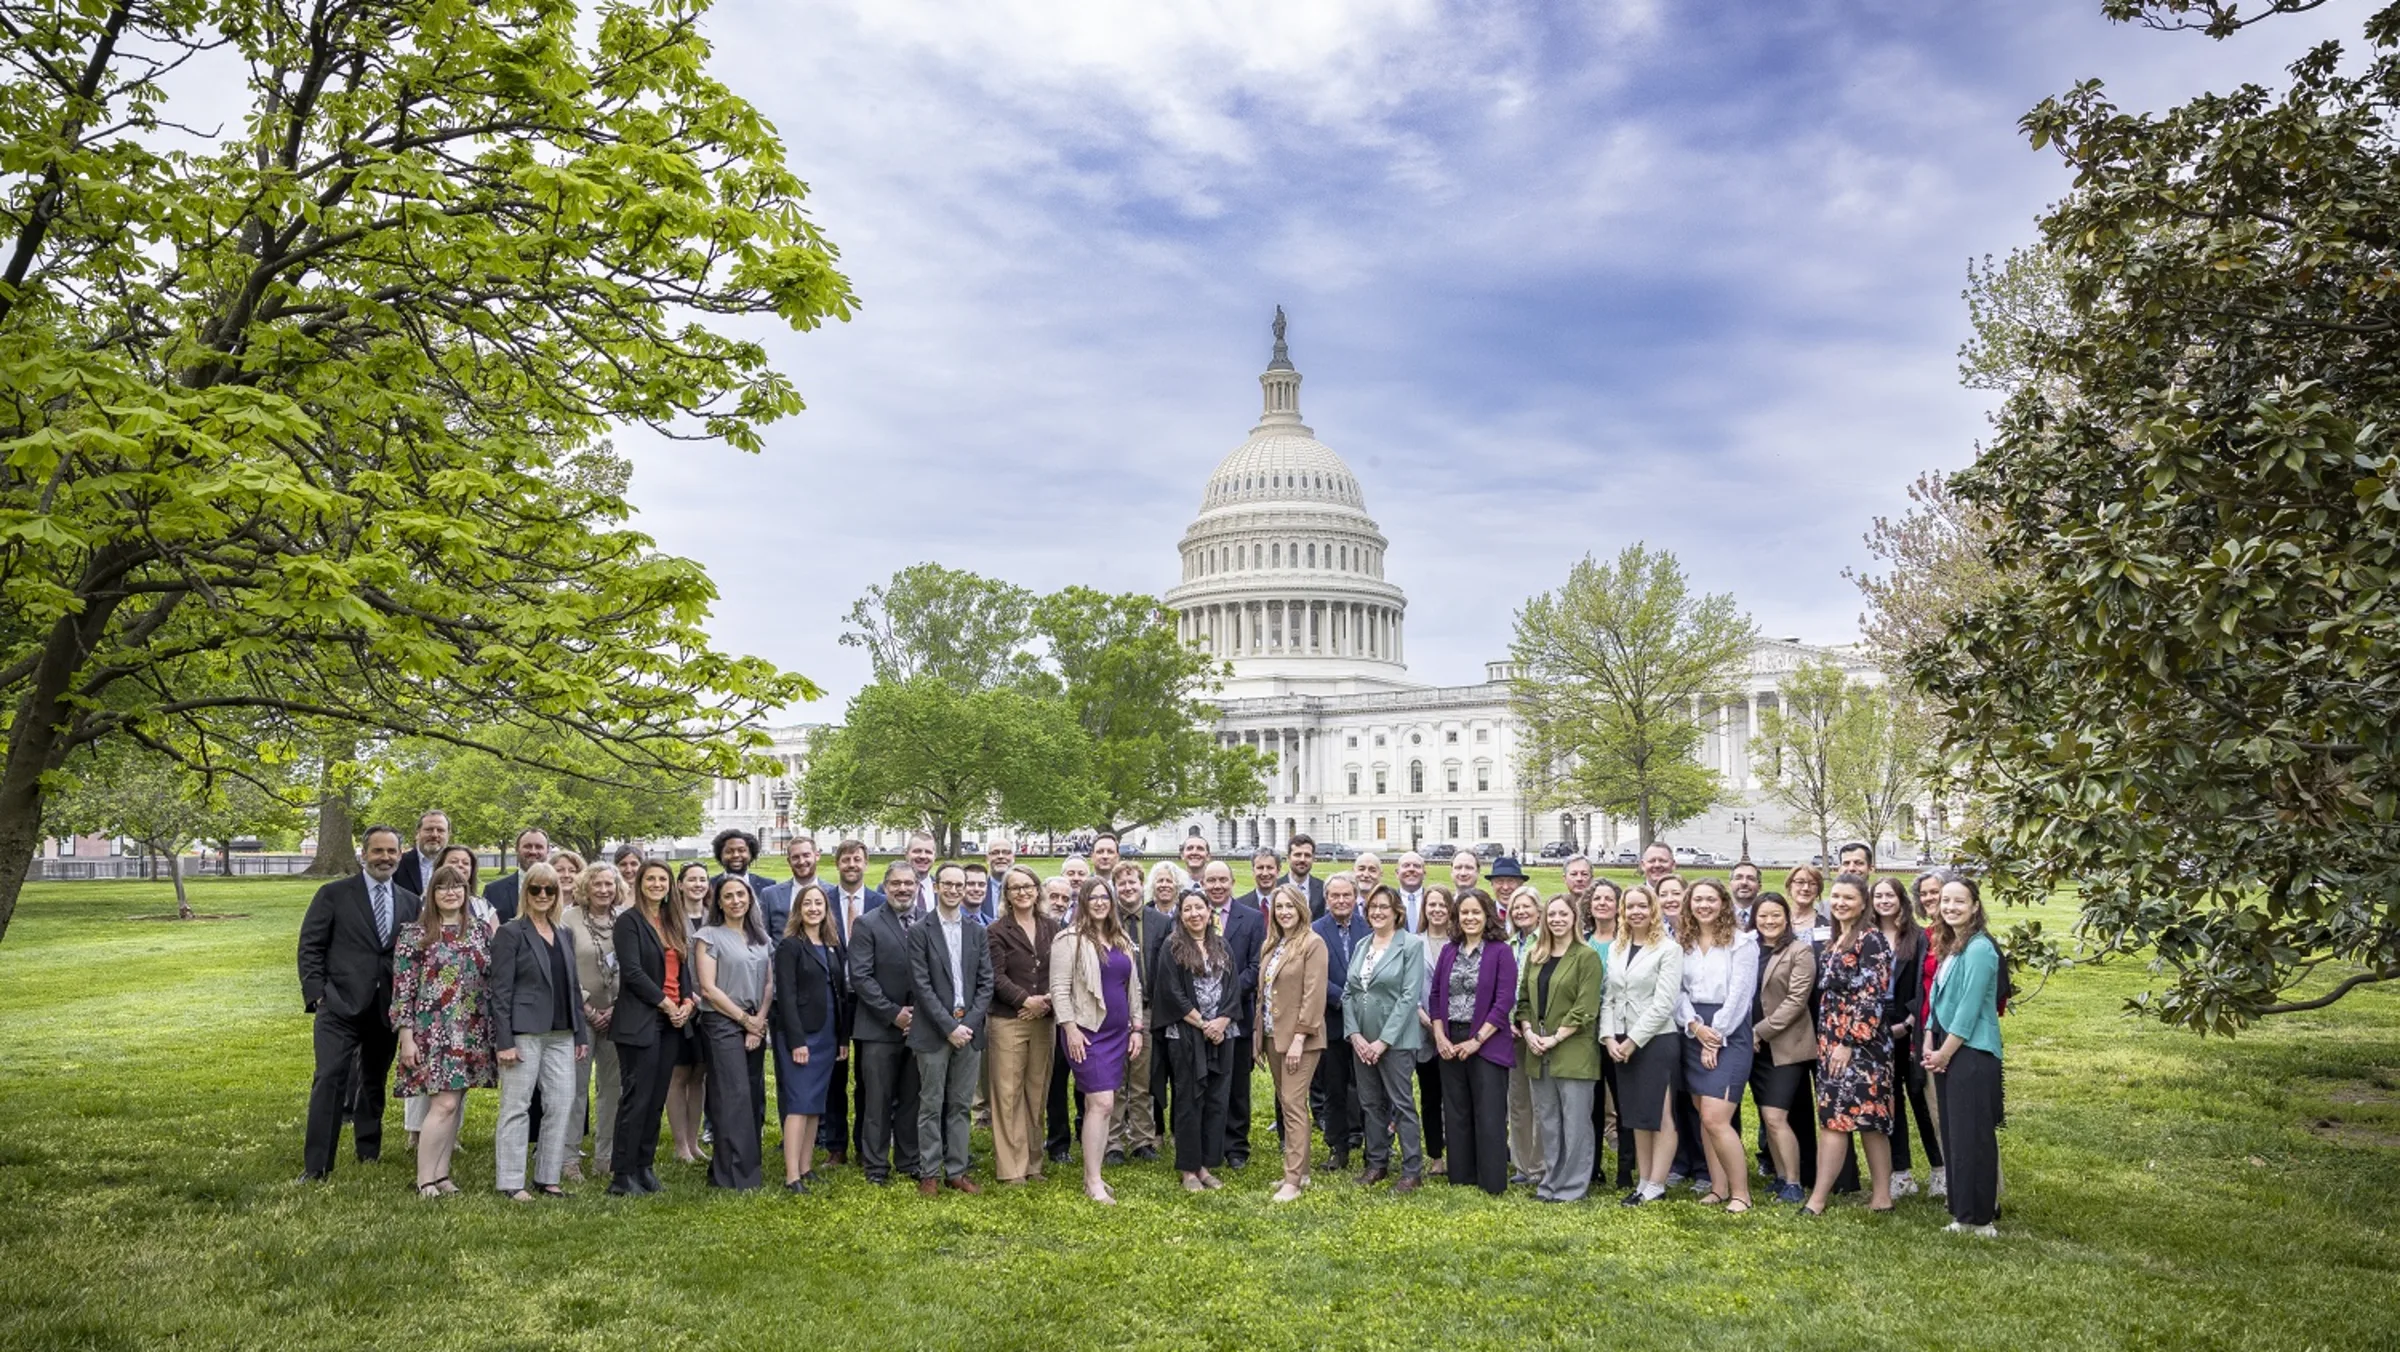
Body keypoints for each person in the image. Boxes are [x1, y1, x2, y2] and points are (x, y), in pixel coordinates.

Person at [297, 825, 419, 1180]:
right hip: (339, 1004)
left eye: (391, 851)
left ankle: (368, 1151)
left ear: (400, 855)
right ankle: (317, 1166)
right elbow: (311, 946)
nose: (385, 857)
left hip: (385, 1007)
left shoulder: (410, 902)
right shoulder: (333, 894)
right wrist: (317, 994)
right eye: (378, 851)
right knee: (329, 1078)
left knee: (373, 1082)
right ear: (363, 854)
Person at [389, 863, 495, 1198]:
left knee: (455, 1103)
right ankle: (425, 1180)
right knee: (443, 1104)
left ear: (466, 891)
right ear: (431, 893)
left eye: (457, 886)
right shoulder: (415, 934)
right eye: (442, 887)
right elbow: (403, 989)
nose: (451, 892)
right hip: (433, 1031)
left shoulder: (479, 931)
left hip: (471, 1028)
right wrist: (406, 1036)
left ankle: (442, 1174)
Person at [489, 862, 590, 1199]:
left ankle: (547, 1177)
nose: (543, 894)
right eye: (536, 888)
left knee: (560, 1104)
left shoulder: (564, 933)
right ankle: (511, 1181)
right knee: (516, 1106)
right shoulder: (510, 933)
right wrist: (504, 1041)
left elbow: (572, 986)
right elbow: (500, 992)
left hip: (562, 1032)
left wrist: (580, 1034)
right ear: (526, 892)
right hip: (524, 1032)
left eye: (550, 889)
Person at [1801, 873, 1897, 1216]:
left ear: (1863, 903)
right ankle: (1822, 1197)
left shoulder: (1872, 940)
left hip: (1862, 1046)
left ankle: (1877, 1197)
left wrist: (1848, 1041)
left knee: (1867, 1120)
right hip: (1831, 1042)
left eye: (1849, 898)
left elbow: (1872, 997)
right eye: (1837, 897)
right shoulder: (1836, 938)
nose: (1841, 903)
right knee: (1833, 1118)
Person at [1052, 878, 1147, 1203]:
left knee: (1103, 1106)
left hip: (1118, 1033)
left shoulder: (1121, 939)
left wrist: (1137, 1027)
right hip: (1087, 1033)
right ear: (1082, 902)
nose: (1099, 902)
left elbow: (1133, 986)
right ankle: (1092, 1180)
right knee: (1102, 1103)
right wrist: (1070, 1029)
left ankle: (1094, 1176)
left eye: (1104, 897)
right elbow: (1059, 989)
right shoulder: (1069, 940)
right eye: (1092, 897)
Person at [608, 860, 695, 1195]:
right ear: (640, 883)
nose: (657, 884)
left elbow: (683, 969)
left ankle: (644, 1167)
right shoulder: (628, 922)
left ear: (671, 886)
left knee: (657, 1097)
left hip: (671, 1022)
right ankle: (622, 1174)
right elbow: (632, 972)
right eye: (651, 879)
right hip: (640, 1019)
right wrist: (666, 1003)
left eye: (663, 879)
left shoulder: (673, 921)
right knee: (637, 1097)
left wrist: (686, 1002)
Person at [908, 862, 994, 1195]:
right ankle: (929, 1171)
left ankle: (956, 1170)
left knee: (960, 1104)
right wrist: (948, 1026)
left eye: (961, 885)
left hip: (968, 1033)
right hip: (933, 1031)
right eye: (949, 884)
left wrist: (967, 1025)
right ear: (936, 886)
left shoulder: (977, 931)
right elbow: (921, 985)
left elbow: (986, 983)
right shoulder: (920, 930)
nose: (955, 890)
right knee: (930, 1103)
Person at [1926, 875, 2004, 1236]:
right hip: (1947, 1047)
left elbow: (1969, 1009)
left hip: (1971, 1052)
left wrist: (1943, 1053)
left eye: (1959, 901)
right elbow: (1938, 998)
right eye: (1946, 900)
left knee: (1974, 1137)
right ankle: (1962, 1213)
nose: (1950, 907)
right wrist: (1929, 1039)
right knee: (1956, 1135)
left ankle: (1981, 1219)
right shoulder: (1952, 944)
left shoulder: (1980, 949)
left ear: (1975, 906)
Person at [1676, 878, 1759, 1212]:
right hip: (1693, 1027)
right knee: (1703, 1115)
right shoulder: (1683, 942)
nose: (1704, 905)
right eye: (1698, 899)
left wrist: (1715, 1036)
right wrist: (1694, 1026)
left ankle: (1742, 1194)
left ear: (1724, 903)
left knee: (1715, 1117)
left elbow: (1741, 994)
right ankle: (1718, 1187)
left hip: (1730, 1030)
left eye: (1711, 899)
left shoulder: (1742, 943)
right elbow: (1677, 990)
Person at [1515, 895, 1602, 1203]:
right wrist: (1528, 1032)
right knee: (1549, 1121)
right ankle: (1550, 1182)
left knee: (1575, 1122)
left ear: (1574, 918)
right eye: (1551, 914)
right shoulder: (1536, 955)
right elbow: (1523, 1000)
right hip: (1537, 1049)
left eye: (1563, 914)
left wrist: (1554, 1038)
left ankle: (1572, 1186)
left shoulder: (1586, 956)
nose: (1556, 919)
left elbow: (1585, 1006)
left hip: (1573, 1050)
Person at [1602, 885, 1684, 1205]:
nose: (1636, 912)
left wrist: (1634, 1040)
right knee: (1637, 1114)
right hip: (1621, 1040)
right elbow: (1609, 997)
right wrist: (1609, 1037)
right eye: (1630, 906)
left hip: (1656, 1040)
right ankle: (1643, 1181)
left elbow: (1664, 1004)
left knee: (1659, 1114)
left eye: (1642, 906)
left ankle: (1657, 1183)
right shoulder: (1617, 948)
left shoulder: (1668, 949)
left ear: (1653, 910)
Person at [1433, 887, 1516, 1196]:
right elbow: (1436, 995)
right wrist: (1440, 1035)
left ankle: (1491, 1180)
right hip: (1450, 1039)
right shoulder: (1448, 951)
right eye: (1464, 913)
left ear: (1487, 915)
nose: (1469, 918)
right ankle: (1461, 1175)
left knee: (1489, 1111)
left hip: (1487, 1041)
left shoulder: (1500, 952)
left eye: (1475, 912)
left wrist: (1477, 1040)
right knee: (1456, 1110)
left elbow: (1504, 1001)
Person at [1345, 884, 1427, 1191]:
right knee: (1370, 1104)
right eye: (1372, 907)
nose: (1377, 912)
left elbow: (1409, 997)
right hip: (1362, 1041)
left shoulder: (1410, 945)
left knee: (1402, 1104)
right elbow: (1349, 992)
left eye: (1384, 907)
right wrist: (1355, 1035)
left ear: (1397, 912)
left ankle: (1411, 1170)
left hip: (1396, 1041)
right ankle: (1376, 1163)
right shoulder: (1362, 944)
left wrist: (1383, 1041)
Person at [693, 874, 772, 1191]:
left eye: (741, 894)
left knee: (751, 1095)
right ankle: (732, 1176)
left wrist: (758, 1022)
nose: (736, 900)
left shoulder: (761, 937)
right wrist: (744, 1020)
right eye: (728, 896)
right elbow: (708, 989)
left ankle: (745, 1168)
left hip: (755, 1021)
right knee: (731, 1095)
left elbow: (769, 984)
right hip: (722, 1021)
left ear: (750, 898)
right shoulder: (708, 936)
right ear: (719, 902)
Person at [1153, 887, 1236, 1191]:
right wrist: (1203, 1024)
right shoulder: (1172, 946)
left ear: (1209, 911)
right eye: (1187, 909)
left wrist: (1222, 1022)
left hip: (1222, 1034)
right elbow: (1171, 991)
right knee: (1189, 1100)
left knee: (1216, 1100)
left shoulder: (1222, 945)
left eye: (1199, 908)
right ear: (1180, 914)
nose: (1194, 914)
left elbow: (1233, 987)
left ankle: (1205, 1166)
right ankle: (1189, 1169)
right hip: (1186, 1034)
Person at [770, 882, 847, 1193]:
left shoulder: (833, 945)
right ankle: (792, 1175)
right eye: (807, 904)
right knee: (799, 1103)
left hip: (828, 1035)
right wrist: (797, 1041)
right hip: (801, 1036)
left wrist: (843, 1038)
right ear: (798, 910)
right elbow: (786, 997)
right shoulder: (790, 946)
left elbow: (841, 994)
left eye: (819, 903)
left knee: (815, 1104)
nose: (814, 909)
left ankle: (806, 1166)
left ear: (826, 910)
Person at [849, 862, 923, 1185]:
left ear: (917, 886)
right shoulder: (867, 924)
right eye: (896, 883)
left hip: (919, 1028)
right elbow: (861, 977)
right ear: (885, 886)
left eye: (908, 883)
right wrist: (894, 1014)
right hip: (878, 1028)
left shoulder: (927, 922)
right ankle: (876, 1166)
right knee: (877, 1100)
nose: (902, 889)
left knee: (911, 1098)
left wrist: (919, 1016)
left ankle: (909, 1161)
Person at [1253, 884, 1327, 1201]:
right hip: (1273, 1035)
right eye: (1279, 907)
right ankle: (1303, 1171)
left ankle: (1292, 1181)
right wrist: (1259, 1036)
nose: (1284, 912)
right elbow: (1264, 995)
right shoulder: (1272, 944)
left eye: (1290, 906)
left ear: (1301, 909)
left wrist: (1299, 1038)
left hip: (1301, 1039)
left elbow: (1313, 994)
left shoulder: (1313, 943)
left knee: (1293, 1104)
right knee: (1288, 1104)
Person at [986, 864, 1058, 1186]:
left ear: (1037, 890)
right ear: (1006, 894)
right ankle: (1012, 1168)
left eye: (1028, 886)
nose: (1023, 892)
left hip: (1044, 1018)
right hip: (1008, 1019)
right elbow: (995, 976)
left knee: (1036, 1091)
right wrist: (1025, 1001)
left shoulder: (1052, 927)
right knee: (1008, 1093)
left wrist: (1046, 1002)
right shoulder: (997, 930)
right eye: (1015, 888)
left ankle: (1033, 1163)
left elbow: (1062, 970)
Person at [1748, 893, 1816, 1204]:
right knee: (1766, 1115)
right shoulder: (1747, 949)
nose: (1769, 921)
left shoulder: (1800, 951)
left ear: (1787, 918)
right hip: (1752, 1049)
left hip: (1784, 1047)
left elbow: (1795, 1002)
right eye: (1763, 915)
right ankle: (1779, 1175)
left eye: (1776, 915)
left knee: (1776, 1116)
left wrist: (1759, 1031)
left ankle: (1794, 1182)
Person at [1873, 874, 1937, 1200]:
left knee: (1918, 1095)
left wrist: (1911, 1022)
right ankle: (1901, 1173)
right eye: (1878, 896)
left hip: (1910, 1024)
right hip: (1876, 1028)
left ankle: (1940, 1169)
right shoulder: (1868, 936)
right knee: (1890, 1100)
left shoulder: (1918, 937)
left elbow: (1924, 984)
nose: (1884, 901)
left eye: (1890, 895)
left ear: (1901, 900)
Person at [560, 864, 624, 1183]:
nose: (603, 890)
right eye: (597, 884)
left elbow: (634, 965)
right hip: (580, 1013)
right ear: (585, 887)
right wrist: (587, 1006)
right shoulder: (568, 919)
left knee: (613, 1088)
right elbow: (564, 967)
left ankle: (606, 1156)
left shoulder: (624, 919)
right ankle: (568, 1158)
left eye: (609, 884)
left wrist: (616, 1006)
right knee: (575, 1089)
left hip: (617, 1014)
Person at [1111, 863, 1177, 1163]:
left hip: (1147, 1011)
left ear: (1142, 885)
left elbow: (1166, 968)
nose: (1128, 888)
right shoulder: (1106, 919)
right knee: (1115, 1079)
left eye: (1132, 882)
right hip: (1112, 1013)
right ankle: (1112, 1142)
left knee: (1143, 1079)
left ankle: (1142, 1139)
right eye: (1122, 883)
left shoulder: (1160, 922)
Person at [1202, 860, 1264, 1169]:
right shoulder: (1193, 915)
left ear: (1232, 882)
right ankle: (1207, 1142)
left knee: (1238, 1084)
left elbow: (1255, 967)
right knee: (1206, 1082)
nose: (1217, 886)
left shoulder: (1252, 919)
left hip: (1237, 1015)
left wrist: (1225, 999)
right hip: (1201, 1020)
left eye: (1222, 880)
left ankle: (1236, 1146)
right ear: (1203, 884)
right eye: (1211, 880)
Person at [1311, 871, 1369, 1168]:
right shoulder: (1315, 931)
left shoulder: (1369, 927)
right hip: (1332, 1020)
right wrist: (1345, 999)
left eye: (1347, 895)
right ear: (1327, 899)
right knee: (1334, 1088)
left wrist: (1360, 1002)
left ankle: (1376, 1148)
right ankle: (1338, 1147)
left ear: (1356, 897)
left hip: (1368, 1022)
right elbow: (1314, 976)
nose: (1342, 900)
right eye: (1335, 895)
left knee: (1371, 1088)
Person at [666, 861, 714, 1162]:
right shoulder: (670, 918)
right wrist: (687, 998)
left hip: (710, 1007)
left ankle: (695, 1142)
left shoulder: (714, 917)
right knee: (679, 1073)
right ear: (680, 885)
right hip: (680, 1006)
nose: (697, 884)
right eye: (691, 879)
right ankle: (680, 1144)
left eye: (702, 879)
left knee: (700, 1074)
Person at [1503, 889, 1546, 1189]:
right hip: (1510, 1032)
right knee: (1517, 1101)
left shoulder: (1547, 942)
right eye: (1515, 907)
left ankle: (1540, 1164)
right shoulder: (1507, 945)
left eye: (1526, 906)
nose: (1520, 911)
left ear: (1538, 910)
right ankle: (1521, 1162)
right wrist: (1507, 1022)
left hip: (1538, 1029)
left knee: (1540, 1100)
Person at [1411, 887, 1453, 1176]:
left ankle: (1459, 1152)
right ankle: (1436, 1156)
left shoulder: (1459, 942)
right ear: (1424, 909)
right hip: (1423, 1032)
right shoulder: (1414, 943)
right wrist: (1427, 1021)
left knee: (1455, 1098)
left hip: (1457, 1034)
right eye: (1432, 904)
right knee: (1430, 1097)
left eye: (1442, 905)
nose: (1437, 910)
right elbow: (1408, 988)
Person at [759, 833, 824, 940]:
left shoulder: (832, 893)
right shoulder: (770, 895)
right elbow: (763, 937)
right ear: (789, 861)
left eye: (806, 855)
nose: (801, 861)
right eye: (795, 857)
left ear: (817, 856)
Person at [484, 827, 549, 924]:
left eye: (539, 847)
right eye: (527, 846)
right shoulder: (493, 891)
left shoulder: (559, 889)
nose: (533, 851)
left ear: (548, 850)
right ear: (517, 849)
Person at [393, 810, 450, 897]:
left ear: (448, 835)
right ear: (417, 833)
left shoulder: (456, 865)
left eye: (440, 830)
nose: (434, 835)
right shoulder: (398, 863)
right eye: (429, 830)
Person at [1284, 834, 1326, 916]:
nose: (1302, 859)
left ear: (1313, 858)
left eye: (1307, 855)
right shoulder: (1275, 887)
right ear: (1288, 857)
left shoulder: (1323, 889)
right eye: (1298, 855)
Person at [1785, 865, 1827, 944]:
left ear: (1818, 890)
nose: (1806, 888)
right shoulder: (1777, 920)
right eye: (1800, 882)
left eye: (1812, 883)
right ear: (1790, 886)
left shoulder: (1826, 927)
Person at [1237, 847, 1280, 912]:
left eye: (1270, 868)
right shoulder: (1239, 905)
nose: (1265, 873)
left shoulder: (1290, 903)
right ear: (1253, 871)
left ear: (1278, 871)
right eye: (1260, 868)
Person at [1393, 851, 1425, 929]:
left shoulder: (1433, 900)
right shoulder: (1390, 900)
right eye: (1406, 865)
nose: (1411, 869)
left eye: (1417, 866)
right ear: (1397, 873)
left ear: (1424, 874)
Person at [1729, 861, 1763, 930]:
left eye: (1751, 878)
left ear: (1759, 887)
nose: (1744, 883)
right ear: (1730, 885)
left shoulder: (1767, 916)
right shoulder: (1718, 914)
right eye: (1738, 878)